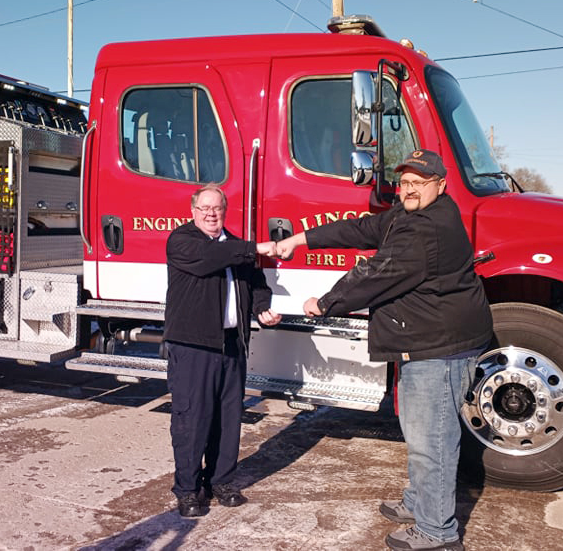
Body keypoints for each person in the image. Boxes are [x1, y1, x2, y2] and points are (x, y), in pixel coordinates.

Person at [275, 149, 493, 551]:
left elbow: (373, 274)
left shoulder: (427, 229)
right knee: (420, 434)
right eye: (405, 182)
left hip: (439, 348)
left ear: (440, 186)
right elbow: (361, 229)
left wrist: (324, 303)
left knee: (433, 442)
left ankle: (437, 532)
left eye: (418, 182)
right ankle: (421, 503)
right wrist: (302, 239)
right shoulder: (408, 215)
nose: (408, 189)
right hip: (425, 343)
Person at [164, 185, 282, 518]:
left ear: (225, 211)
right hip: (193, 346)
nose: (211, 214)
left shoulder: (235, 247)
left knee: (228, 420)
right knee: (192, 419)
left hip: (232, 343)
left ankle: (222, 481)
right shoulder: (182, 242)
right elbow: (209, 261)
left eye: (217, 208)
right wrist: (253, 247)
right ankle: (188, 490)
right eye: (205, 208)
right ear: (193, 211)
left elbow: (257, 282)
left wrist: (261, 309)